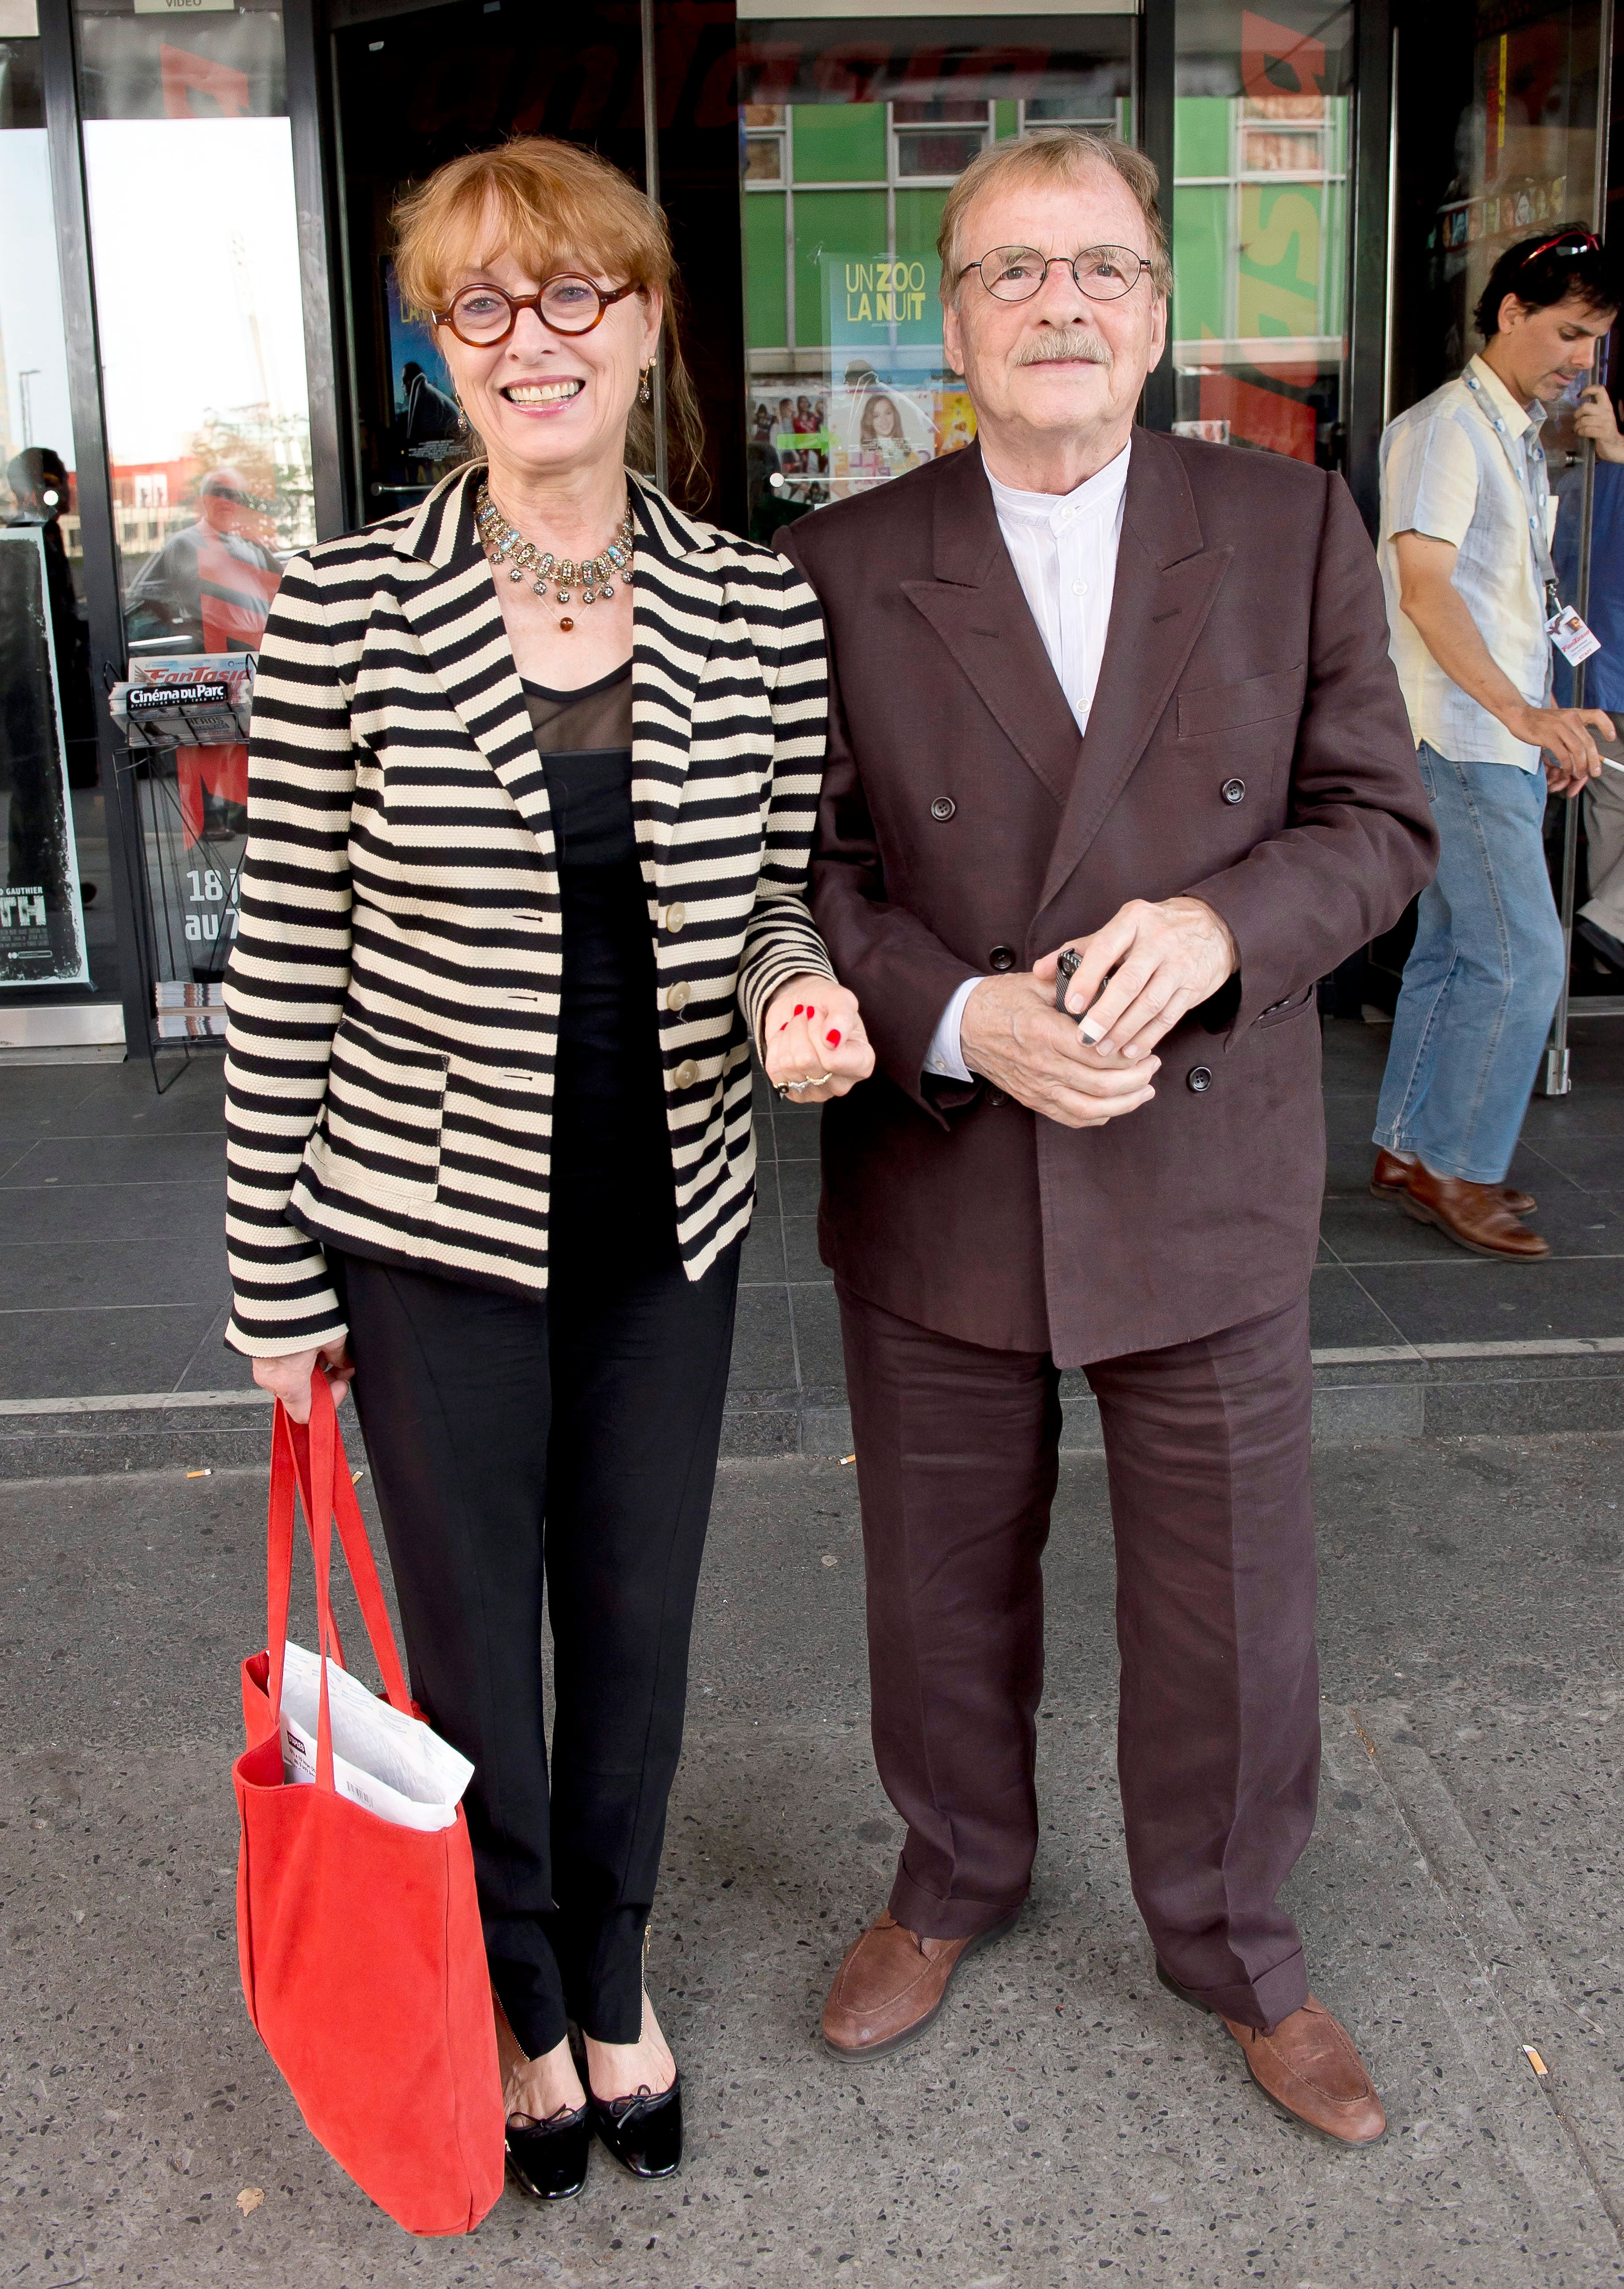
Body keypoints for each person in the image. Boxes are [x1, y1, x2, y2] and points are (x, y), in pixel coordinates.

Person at [222, 136, 872, 2201]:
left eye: (576, 291)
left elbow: (772, 899)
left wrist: (799, 1004)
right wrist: (271, 1284)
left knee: (640, 1619)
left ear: (649, 318)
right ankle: (511, 1993)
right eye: (485, 306)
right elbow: (285, 966)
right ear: (443, 351)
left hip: (668, 1213)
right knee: (475, 1634)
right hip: (419, 1227)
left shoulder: (757, 603)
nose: (536, 339)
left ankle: (613, 1970)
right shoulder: (345, 605)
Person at [781, 129, 1434, 2141]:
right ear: (955, 318)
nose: (1060, 303)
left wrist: (1222, 926)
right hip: (946, 1158)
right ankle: (954, 1872)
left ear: (1156, 306)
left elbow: (1382, 824)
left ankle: (1240, 1937)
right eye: (1011, 272)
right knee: (937, 1580)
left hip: (1204, 1156)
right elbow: (803, 871)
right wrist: (960, 1014)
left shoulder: (1288, 520)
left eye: (1101, 269)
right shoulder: (844, 557)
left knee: (1236, 1601)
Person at [1372, 229, 1620, 1256]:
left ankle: (1405, 1146)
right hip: (1459, 737)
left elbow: (1514, 601)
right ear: (1510, 314)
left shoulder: (1515, 433)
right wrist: (1523, 717)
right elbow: (1424, 592)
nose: (1583, 360)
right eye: (1569, 332)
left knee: (1455, 953)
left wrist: (1543, 721)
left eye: (1598, 340)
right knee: (1524, 961)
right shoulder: (1445, 431)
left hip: (1492, 737)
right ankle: (1458, 1169)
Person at [1555, 380, 1624, 973]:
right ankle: (1611, 924)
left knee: (1612, 807)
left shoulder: (1581, 482)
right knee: (1611, 806)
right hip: (1603, 669)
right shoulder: (1590, 481)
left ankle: (1611, 926)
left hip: (1589, 670)